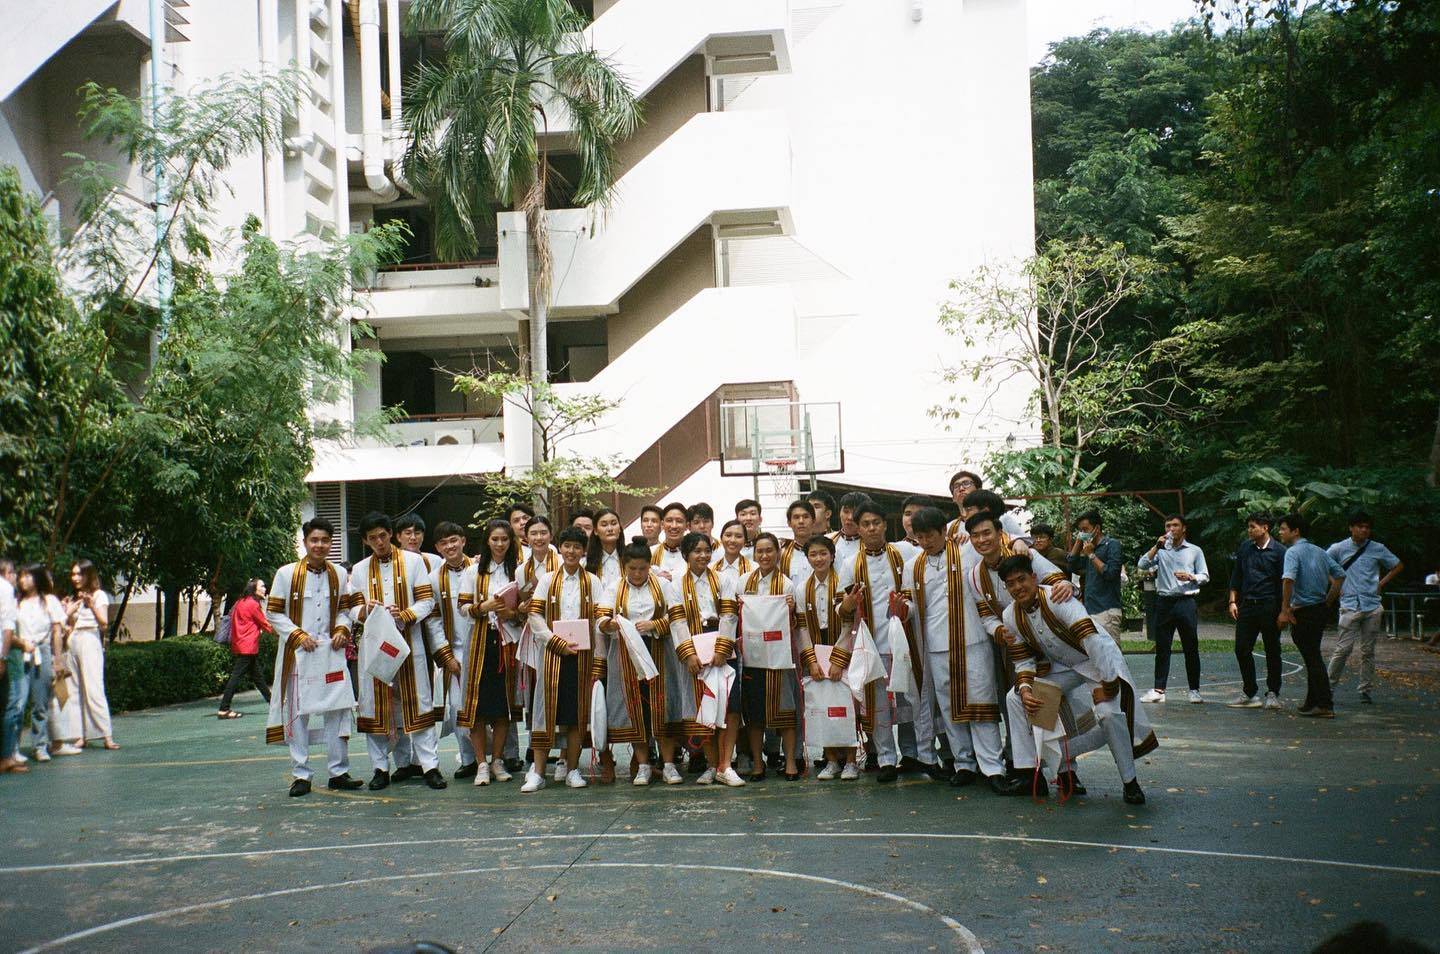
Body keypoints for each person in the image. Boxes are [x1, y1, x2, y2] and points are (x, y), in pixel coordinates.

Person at [999, 555, 1154, 805]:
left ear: (1034, 578)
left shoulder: (1058, 597)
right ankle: (1035, 773)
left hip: (1099, 660)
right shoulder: (1010, 615)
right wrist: (1026, 688)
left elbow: (1092, 641)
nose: (1018, 587)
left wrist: (1109, 686)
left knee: (1108, 714)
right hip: (1065, 666)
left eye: (1022, 579)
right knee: (1016, 697)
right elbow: (1023, 660)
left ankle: (1130, 781)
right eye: (1011, 584)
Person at [349, 512, 457, 791]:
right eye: (372, 538)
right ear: (365, 541)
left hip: (410, 646)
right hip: (375, 648)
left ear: (391, 534)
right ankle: (381, 768)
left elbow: (426, 601)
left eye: (383, 536)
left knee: (418, 704)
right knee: (376, 707)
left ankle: (430, 766)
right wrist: (365, 610)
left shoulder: (413, 562)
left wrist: (405, 613)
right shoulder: (360, 569)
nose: (379, 542)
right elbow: (351, 608)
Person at [904, 507, 1009, 791]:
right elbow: (911, 604)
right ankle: (964, 764)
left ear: (943, 531)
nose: (925, 542)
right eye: (920, 537)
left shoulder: (968, 552)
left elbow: (999, 551)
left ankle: (993, 768)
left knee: (981, 703)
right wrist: (903, 609)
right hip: (936, 645)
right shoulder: (913, 565)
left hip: (973, 639)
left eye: (930, 536)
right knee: (950, 707)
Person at [266, 517, 364, 796]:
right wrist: (297, 635)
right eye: (314, 540)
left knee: (338, 711)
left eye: (324, 540)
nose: (319, 545)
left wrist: (344, 628)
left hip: (331, 653)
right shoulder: (286, 574)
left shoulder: (338, 573)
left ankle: (339, 771)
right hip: (298, 655)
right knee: (298, 714)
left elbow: (346, 609)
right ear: (305, 542)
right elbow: (272, 612)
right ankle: (301, 774)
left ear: (330, 543)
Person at [596, 537, 698, 786]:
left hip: (659, 650)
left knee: (661, 706)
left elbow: (677, 618)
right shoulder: (614, 587)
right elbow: (600, 620)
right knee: (635, 708)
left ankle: (669, 764)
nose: (638, 573)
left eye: (642, 568)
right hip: (627, 654)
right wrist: (614, 623)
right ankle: (642, 764)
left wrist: (655, 624)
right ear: (624, 566)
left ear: (649, 565)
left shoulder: (663, 585)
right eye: (632, 569)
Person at [837, 503, 923, 782]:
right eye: (866, 524)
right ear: (858, 528)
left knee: (909, 698)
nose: (872, 528)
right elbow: (842, 609)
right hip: (871, 643)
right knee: (879, 705)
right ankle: (886, 758)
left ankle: (912, 754)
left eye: (876, 522)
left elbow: (913, 597)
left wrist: (904, 609)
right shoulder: (850, 563)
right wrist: (848, 604)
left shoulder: (906, 553)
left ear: (885, 525)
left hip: (904, 639)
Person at [522, 527, 600, 792]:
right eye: (566, 546)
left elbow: (600, 620)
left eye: (577, 547)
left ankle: (573, 768)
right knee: (545, 712)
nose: (571, 551)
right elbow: (535, 616)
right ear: (560, 547)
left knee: (576, 714)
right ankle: (539, 771)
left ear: (583, 551)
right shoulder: (546, 580)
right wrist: (555, 641)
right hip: (552, 655)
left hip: (582, 657)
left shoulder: (592, 581)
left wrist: (598, 655)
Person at [673, 532, 744, 786]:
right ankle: (713, 764)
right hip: (695, 646)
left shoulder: (724, 579)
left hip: (723, 646)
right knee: (705, 708)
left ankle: (726, 764)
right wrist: (689, 654)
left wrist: (723, 648)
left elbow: (729, 615)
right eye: (696, 551)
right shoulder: (675, 585)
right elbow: (677, 621)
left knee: (730, 705)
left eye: (706, 550)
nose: (703, 556)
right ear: (685, 555)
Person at [456, 519, 522, 786]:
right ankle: (481, 763)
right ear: (487, 541)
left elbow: (525, 608)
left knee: (502, 705)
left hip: (507, 642)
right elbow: (462, 607)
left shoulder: (517, 570)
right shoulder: (473, 571)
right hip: (480, 642)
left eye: (504, 539)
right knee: (477, 707)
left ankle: (498, 760)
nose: (499, 544)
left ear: (511, 542)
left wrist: (512, 612)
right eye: (494, 539)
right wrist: (483, 607)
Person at [796, 535, 865, 780]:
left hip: (841, 647)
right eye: (813, 554)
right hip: (817, 649)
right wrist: (811, 661)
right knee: (822, 706)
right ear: (807, 558)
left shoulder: (842, 583)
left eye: (823, 553)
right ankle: (831, 759)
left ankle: (850, 760)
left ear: (832, 555)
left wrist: (839, 658)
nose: (818, 558)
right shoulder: (801, 587)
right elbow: (801, 628)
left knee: (845, 706)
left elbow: (849, 622)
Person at [739, 533, 804, 781]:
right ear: (754, 554)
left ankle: (789, 762)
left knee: (785, 710)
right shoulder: (744, 582)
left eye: (769, 550)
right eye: (760, 551)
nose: (764, 556)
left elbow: (797, 623)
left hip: (779, 657)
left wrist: (788, 610)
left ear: (778, 553)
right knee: (755, 714)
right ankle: (758, 763)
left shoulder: (787, 585)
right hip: (752, 657)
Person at [1326, 511, 1404, 705]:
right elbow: (1323, 564)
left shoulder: (1377, 548)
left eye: (1367, 527)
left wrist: (1381, 583)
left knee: (1368, 651)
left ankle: (1365, 690)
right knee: (1342, 650)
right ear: (1351, 527)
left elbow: (1397, 565)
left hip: (1372, 604)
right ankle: (1327, 688)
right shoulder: (1339, 548)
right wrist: (1336, 585)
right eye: (1360, 526)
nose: (1364, 530)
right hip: (1349, 604)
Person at [425, 521, 480, 780]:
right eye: (444, 543)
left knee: (497, 705)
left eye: (454, 540)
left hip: (484, 647)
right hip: (456, 651)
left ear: (463, 541)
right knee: (459, 707)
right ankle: (469, 759)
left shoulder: (482, 569)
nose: (450, 546)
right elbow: (433, 620)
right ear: (437, 548)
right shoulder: (433, 579)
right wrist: (446, 656)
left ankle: (506, 756)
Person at [1277, 512, 1346, 718]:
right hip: (1318, 609)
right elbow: (1340, 575)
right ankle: (1312, 701)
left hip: (1303, 611)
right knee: (1311, 656)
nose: (1280, 532)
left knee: (1313, 657)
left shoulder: (1292, 552)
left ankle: (1325, 703)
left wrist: (1284, 609)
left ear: (1295, 531)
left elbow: (1288, 580)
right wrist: (1327, 600)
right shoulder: (1319, 551)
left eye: (1283, 528)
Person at [1136, 515, 1210, 704]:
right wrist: (1155, 547)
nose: (1171, 528)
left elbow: (1205, 575)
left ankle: (1194, 690)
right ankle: (1159, 690)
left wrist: (1191, 577)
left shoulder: (1194, 551)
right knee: (1162, 647)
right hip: (1164, 602)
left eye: (1175, 525)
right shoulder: (1161, 551)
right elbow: (1142, 565)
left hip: (1186, 602)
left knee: (1190, 647)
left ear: (1183, 528)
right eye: (1168, 525)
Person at [1225, 513, 1287, 710]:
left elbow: (1285, 583)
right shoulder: (1245, 548)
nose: (1249, 530)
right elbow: (1237, 575)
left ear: (1265, 527)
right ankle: (1250, 691)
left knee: (1272, 650)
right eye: (1249, 527)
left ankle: (1273, 692)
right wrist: (1232, 601)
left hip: (1270, 605)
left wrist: (1284, 610)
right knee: (1242, 648)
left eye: (1253, 526)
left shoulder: (1279, 551)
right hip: (1248, 605)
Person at [10, 566, 67, 764]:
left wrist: (57, 660)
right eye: (21, 576)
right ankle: (12, 748)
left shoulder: (49, 601)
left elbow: (57, 632)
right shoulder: (15, 602)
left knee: (40, 703)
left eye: (27, 576)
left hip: (42, 651)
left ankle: (39, 745)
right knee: (17, 702)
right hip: (20, 653)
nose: (23, 580)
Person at [62, 560, 116, 749]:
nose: (75, 578)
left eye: (79, 574)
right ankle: (80, 735)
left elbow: (104, 624)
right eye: (73, 574)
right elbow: (67, 624)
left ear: (88, 575)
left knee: (94, 688)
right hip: (74, 641)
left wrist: (91, 605)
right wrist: (67, 612)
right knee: (74, 690)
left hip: (90, 639)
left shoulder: (99, 595)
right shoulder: (73, 597)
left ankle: (106, 735)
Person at [217, 579, 274, 719]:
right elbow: (265, 624)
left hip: (241, 644)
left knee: (258, 677)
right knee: (235, 677)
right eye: (262, 586)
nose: (265, 588)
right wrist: (284, 632)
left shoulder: (240, 602)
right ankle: (224, 709)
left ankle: (273, 702)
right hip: (248, 646)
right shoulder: (253, 604)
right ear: (254, 589)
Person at [1067, 510, 1124, 640]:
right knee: (1095, 654)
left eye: (1085, 529)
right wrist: (1078, 541)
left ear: (1097, 528)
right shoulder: (1088, 547)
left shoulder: (1112, 545)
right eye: (1080, 530)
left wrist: (1092, 555)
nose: (1083, 533)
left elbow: (1111, 574)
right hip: (1089, 610)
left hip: (1107, 610)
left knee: (1111, 655)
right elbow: (1071, 566)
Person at [0, 560, 20, 773]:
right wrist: (3, 657)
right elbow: (7, 628)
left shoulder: (5, 588)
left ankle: (6, 756)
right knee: (5, 706)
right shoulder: (5, 589)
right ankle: (5, 757)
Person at [779, 499, 818, 588]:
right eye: (796, 517)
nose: (801, 521)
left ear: (814, 521)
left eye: (805, 517)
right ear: (789, 523)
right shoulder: (781, 554)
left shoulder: (826, 551)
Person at [585, 508, 625, 589]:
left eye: (614, 524)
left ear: (620, 528)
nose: (610, 529)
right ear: (595, 531)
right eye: (604, 525)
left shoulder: (630, 557)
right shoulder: (585, 562)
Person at [830, 491, 873, 566]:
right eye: (846, 512)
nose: (850, 517)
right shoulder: (827, 540)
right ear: (840, 512)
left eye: (855, 512)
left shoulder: (873, 546)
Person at [651, 502, 689, 580]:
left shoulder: (694, 555)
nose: (674, 526)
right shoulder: (649, 553)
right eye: (669, 520)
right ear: (662, 525)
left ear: (687, 526)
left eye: (679, 521)